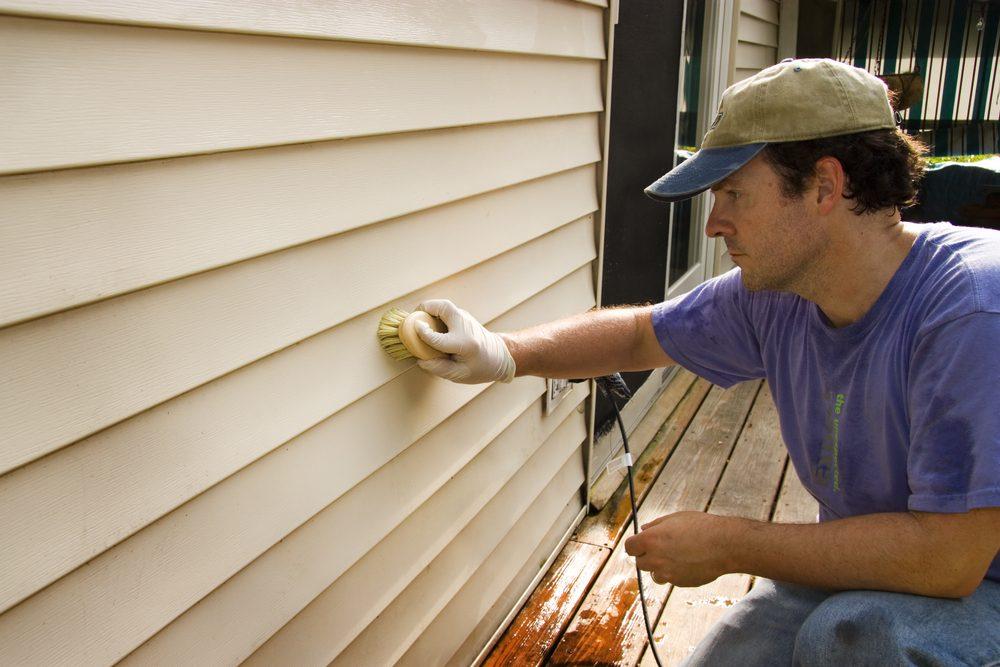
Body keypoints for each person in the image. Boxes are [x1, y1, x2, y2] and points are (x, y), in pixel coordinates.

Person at [412, 58, 1000, 665]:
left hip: (976, 579)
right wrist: (503, 353)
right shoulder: (780, 293)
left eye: (733, 193)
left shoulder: (972, 308)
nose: (715, 222)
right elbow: (642, 334)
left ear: (826, 186)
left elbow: (949, 557)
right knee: (734, 655)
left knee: (855, 638)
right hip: (885, 569)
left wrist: (729, 544)